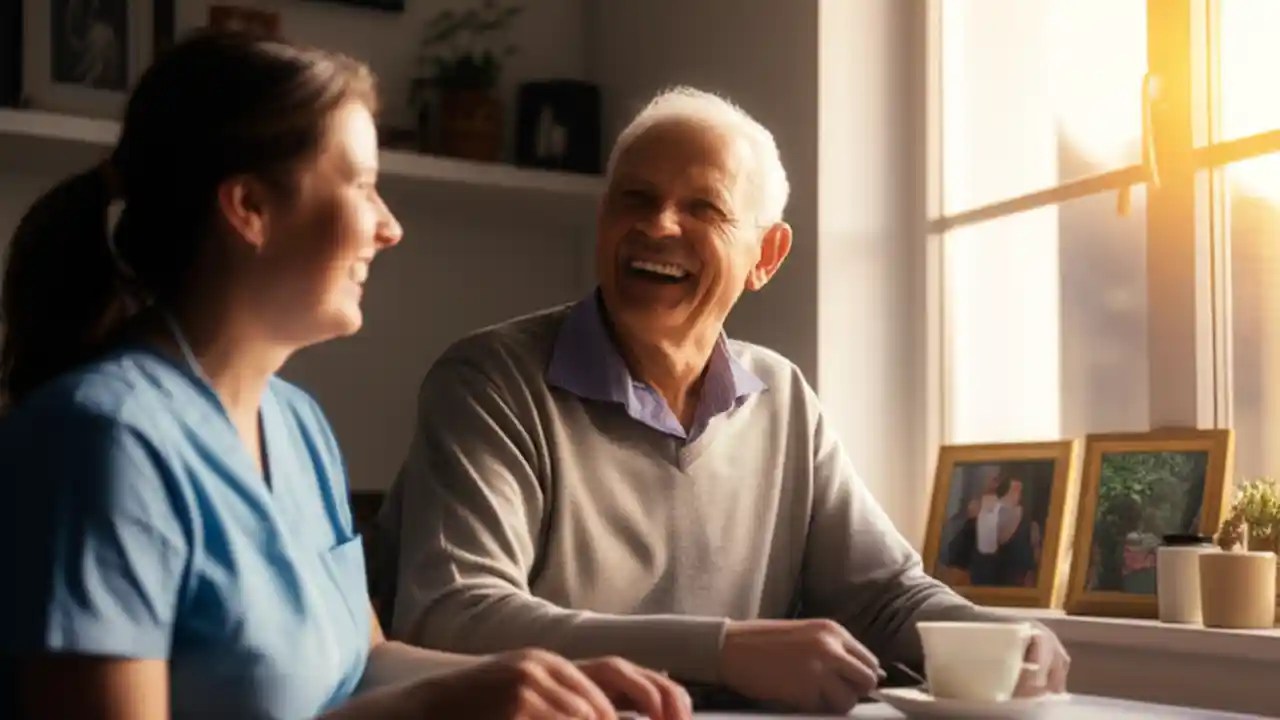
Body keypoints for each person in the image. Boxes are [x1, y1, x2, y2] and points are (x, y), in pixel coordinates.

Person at [0, 31, 692, 720]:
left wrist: (541, 679)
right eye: (362, 187)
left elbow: (361, 663)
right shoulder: (99, 442)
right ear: (250, 209)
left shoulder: (298, 425)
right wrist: (427, 709)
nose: (389, 227)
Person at [376, 86, 1073, 714]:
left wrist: (1001, 635)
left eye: (702, 207)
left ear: (766, 257)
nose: (658, 226)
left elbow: (888, 595)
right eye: (635, 198)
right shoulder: (489, 380)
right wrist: (724, 649)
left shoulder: (785, 398)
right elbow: (452, 615)